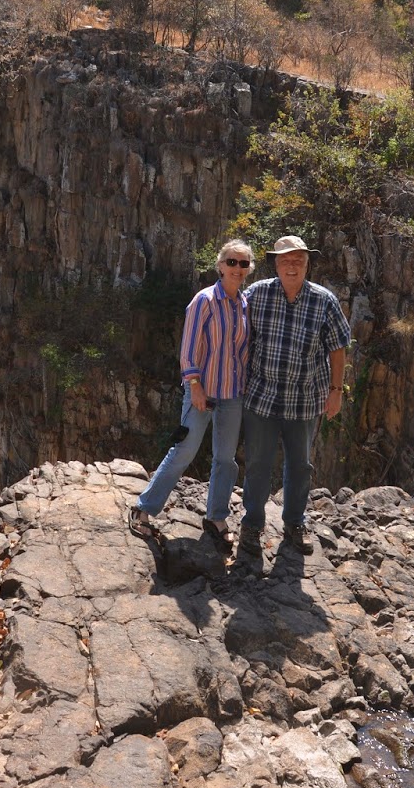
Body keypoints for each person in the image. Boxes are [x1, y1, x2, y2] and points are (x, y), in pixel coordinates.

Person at [129, 239, 255, 547]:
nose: (237, 268)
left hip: (232, 393)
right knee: (185, 450)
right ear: (220, 266)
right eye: (231, 262)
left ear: (249, 269)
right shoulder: (204, 300)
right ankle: (142, 509)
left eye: (243, 263)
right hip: (203, 390)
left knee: (226, 459)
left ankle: (216, 515)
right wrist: (194, 385)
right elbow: (188, 349)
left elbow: (244, 352)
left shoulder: (244, 303)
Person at [239, 235, 351, 556]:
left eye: (298, 260)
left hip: (305, 401)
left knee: (300, 465)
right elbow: (236, 333)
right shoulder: (257, 295)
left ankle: (294, 523)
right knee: (258, 463)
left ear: (307, 264)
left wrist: (335, 391)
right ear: (276, 263)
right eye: (286, 260)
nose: (292, 266)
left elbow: (338, 348)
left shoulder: (324, 300)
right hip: (262, 395)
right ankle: (252, 523)